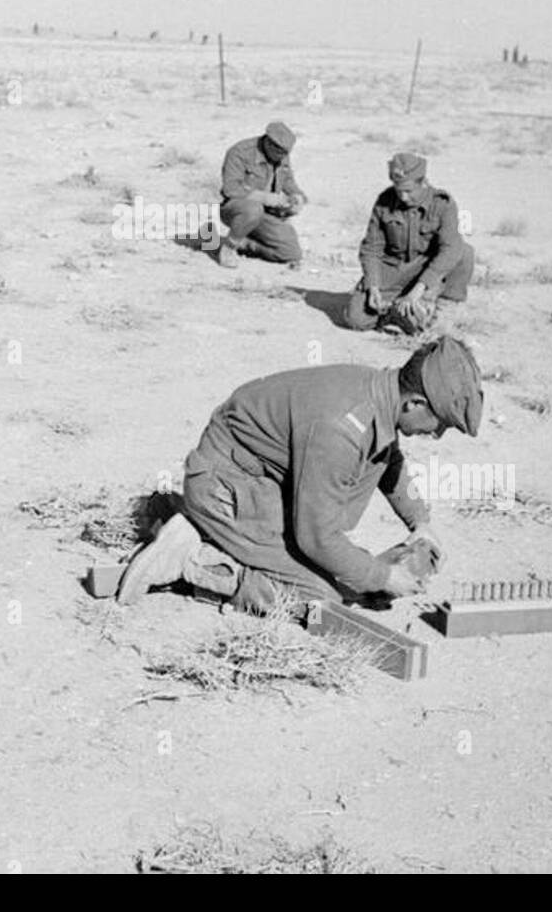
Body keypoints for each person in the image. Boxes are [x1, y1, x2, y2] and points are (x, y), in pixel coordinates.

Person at [117, 336, 483, 614]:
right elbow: (317, 539)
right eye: (439, 425)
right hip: (225, 491)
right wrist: (383, 577)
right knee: (320, 595)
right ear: (415, 403)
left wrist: (420, 521)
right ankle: (193, 561)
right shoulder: (342, 429)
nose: (436, 435)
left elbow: (389, 459)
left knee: (345, 569)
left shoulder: (379, 392)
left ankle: (195, 525)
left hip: (253, 483)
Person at [343, 152, 474, 335]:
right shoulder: (384, 202)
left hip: (425, 265)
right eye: (399, 190)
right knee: (355, 319)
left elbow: (450, 249)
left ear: (423, 182)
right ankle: (395, 311)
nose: (403, 197)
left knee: (463, 251)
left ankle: (443, 309)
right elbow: (371, 248)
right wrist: (373, 287)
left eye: (408, 191)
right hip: (393, 267)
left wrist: (418, 289)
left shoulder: (443, 204)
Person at [217, 121, 306, 268]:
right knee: (253, 209)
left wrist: (297, 197)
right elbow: (231, 189)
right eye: (280, 153)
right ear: (269, 143)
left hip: (266, 212)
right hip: (236, 209)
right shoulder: (240, 152)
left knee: (291, 252)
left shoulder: (281, 154)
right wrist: (266, 198)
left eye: (286, 153)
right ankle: (229, 247)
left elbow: (287, 180)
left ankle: (245, 244)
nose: (283, 157)